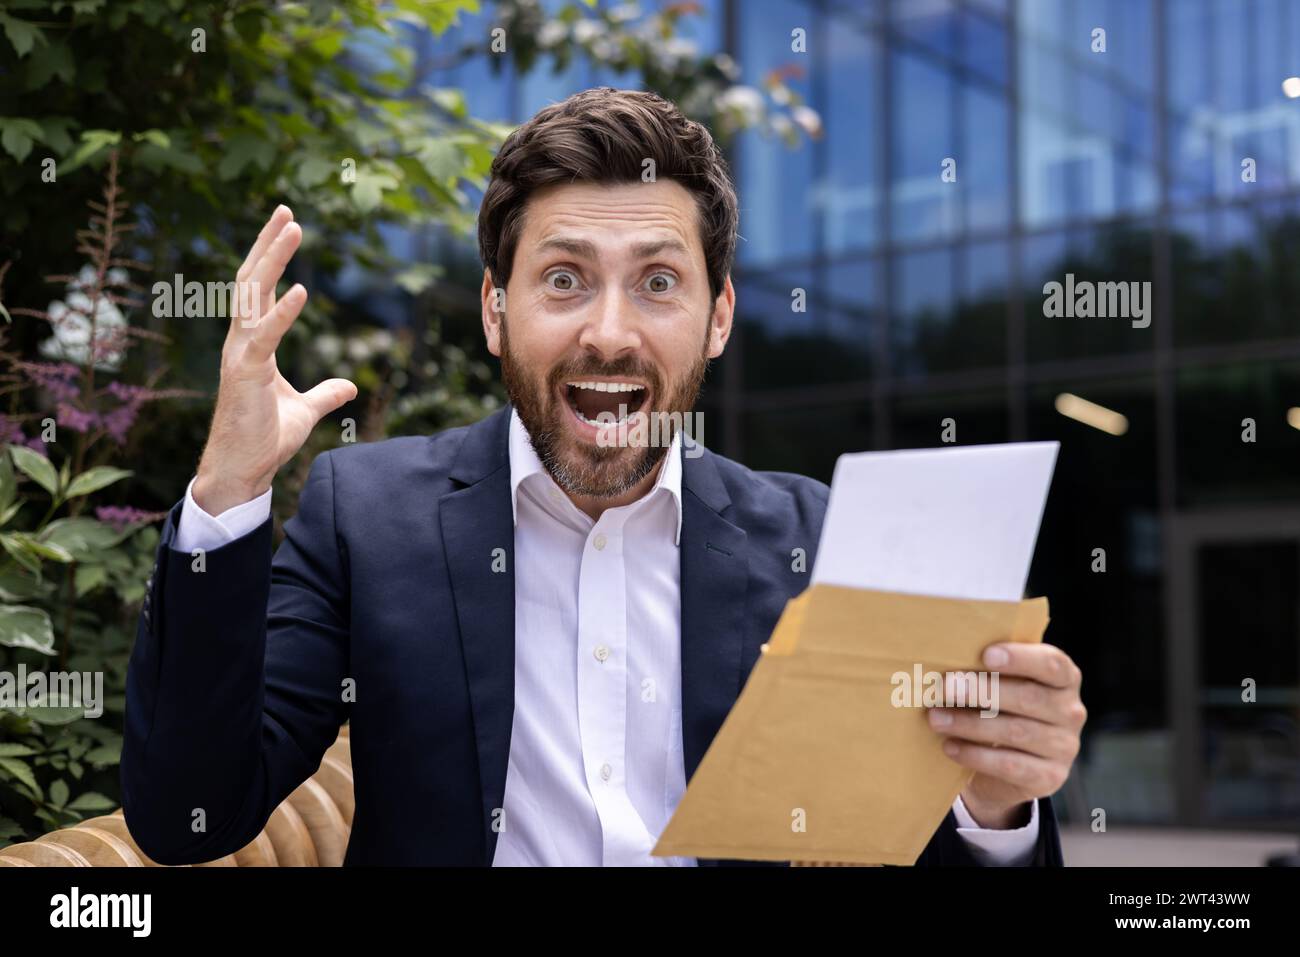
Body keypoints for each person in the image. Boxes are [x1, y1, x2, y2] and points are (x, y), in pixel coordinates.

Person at [121, 88, 1086, 866]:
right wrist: (226, 489)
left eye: (659, 282)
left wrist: (994, 806)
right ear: (496, 312)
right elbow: (189, 818)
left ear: (718, 318)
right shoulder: (365, 515)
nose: (611, 331)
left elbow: (894, 840)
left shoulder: (817, 539)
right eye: (564, 278)